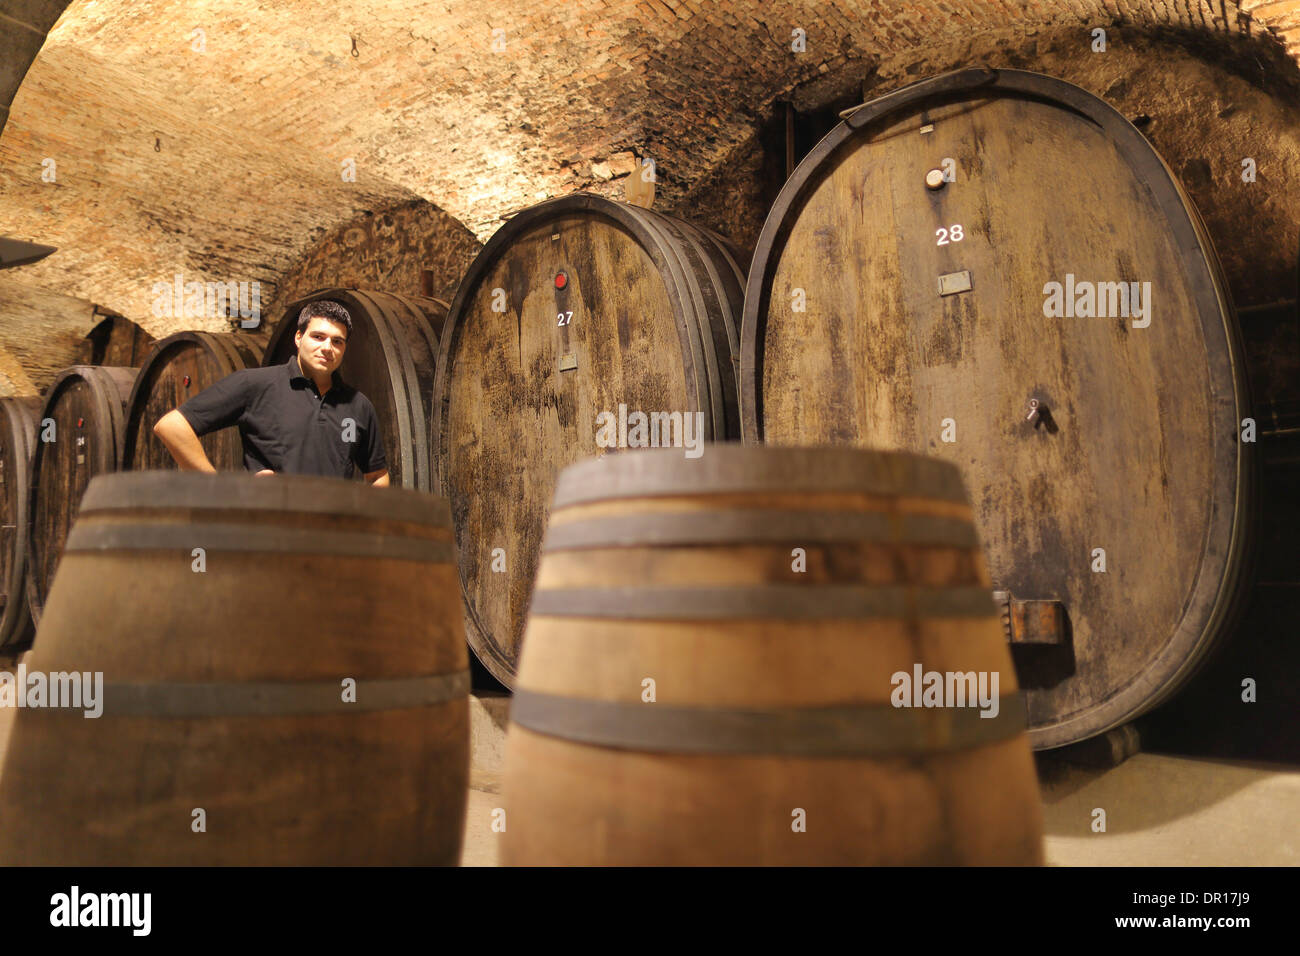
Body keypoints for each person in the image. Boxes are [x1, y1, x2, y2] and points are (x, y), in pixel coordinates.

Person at [153, 300, 389, 485]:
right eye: (318, 337)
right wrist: (218, 488)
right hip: (268, 533)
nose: (327, 348)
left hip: (330, 538)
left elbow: (377, 475)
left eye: (337, 342)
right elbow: (172, 426)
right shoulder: (256, 384)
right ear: (299, 338)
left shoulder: (358, 405)